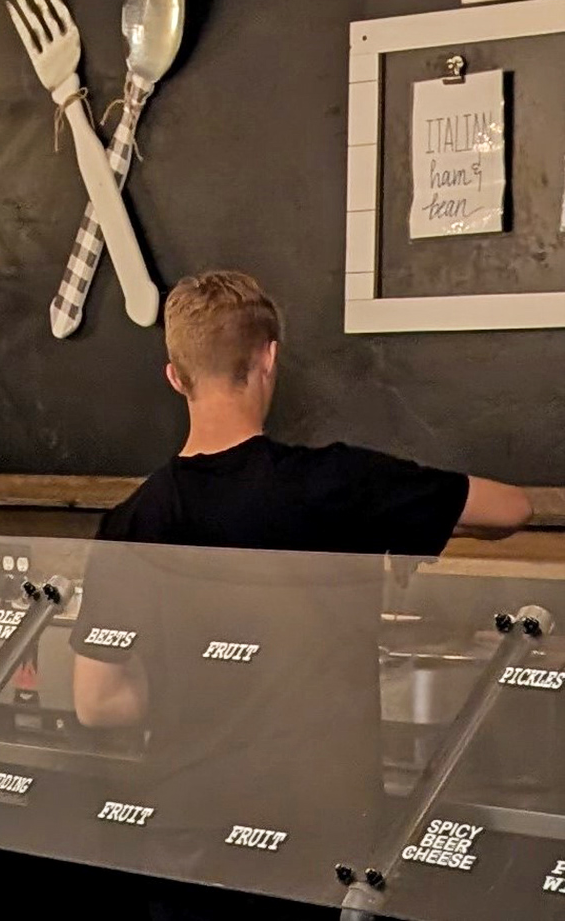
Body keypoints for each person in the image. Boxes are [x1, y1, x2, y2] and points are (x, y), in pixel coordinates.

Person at [71, 271, 532, 919]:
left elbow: (97, 701)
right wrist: (402, 519)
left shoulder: (131, 519)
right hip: (318, 835)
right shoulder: (339, 483)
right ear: (269, 357)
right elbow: (512, 508)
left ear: (175, 376)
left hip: (186, 832)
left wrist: (187, 682)